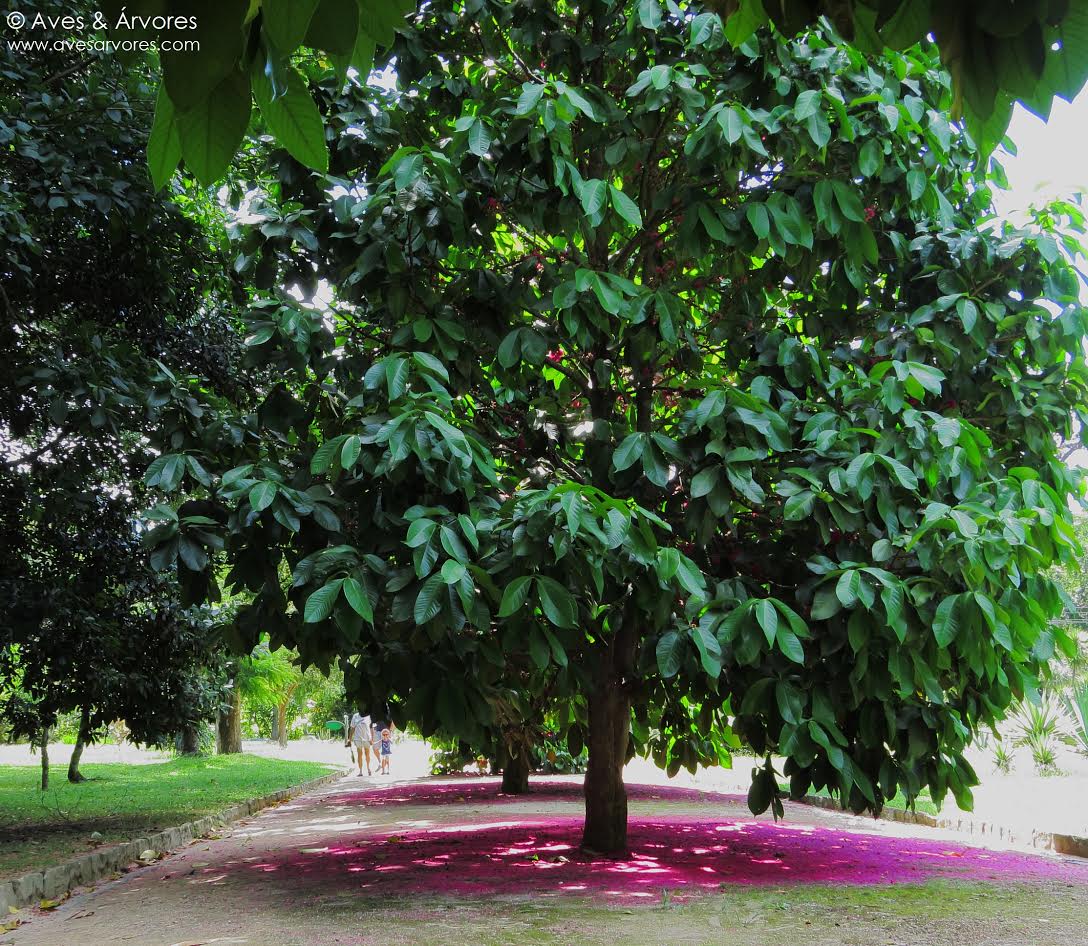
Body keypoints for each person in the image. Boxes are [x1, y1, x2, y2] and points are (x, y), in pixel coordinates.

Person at [348, 711, 374, 776]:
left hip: (367, 738)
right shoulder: (355, 716)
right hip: (358, 738)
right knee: (359, 754)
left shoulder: (368, 716)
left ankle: (368, 768)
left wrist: (372, 738)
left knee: (367, 754)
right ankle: (360, 771)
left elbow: (371, 727)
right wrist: (349, 739)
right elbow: (352, 728)